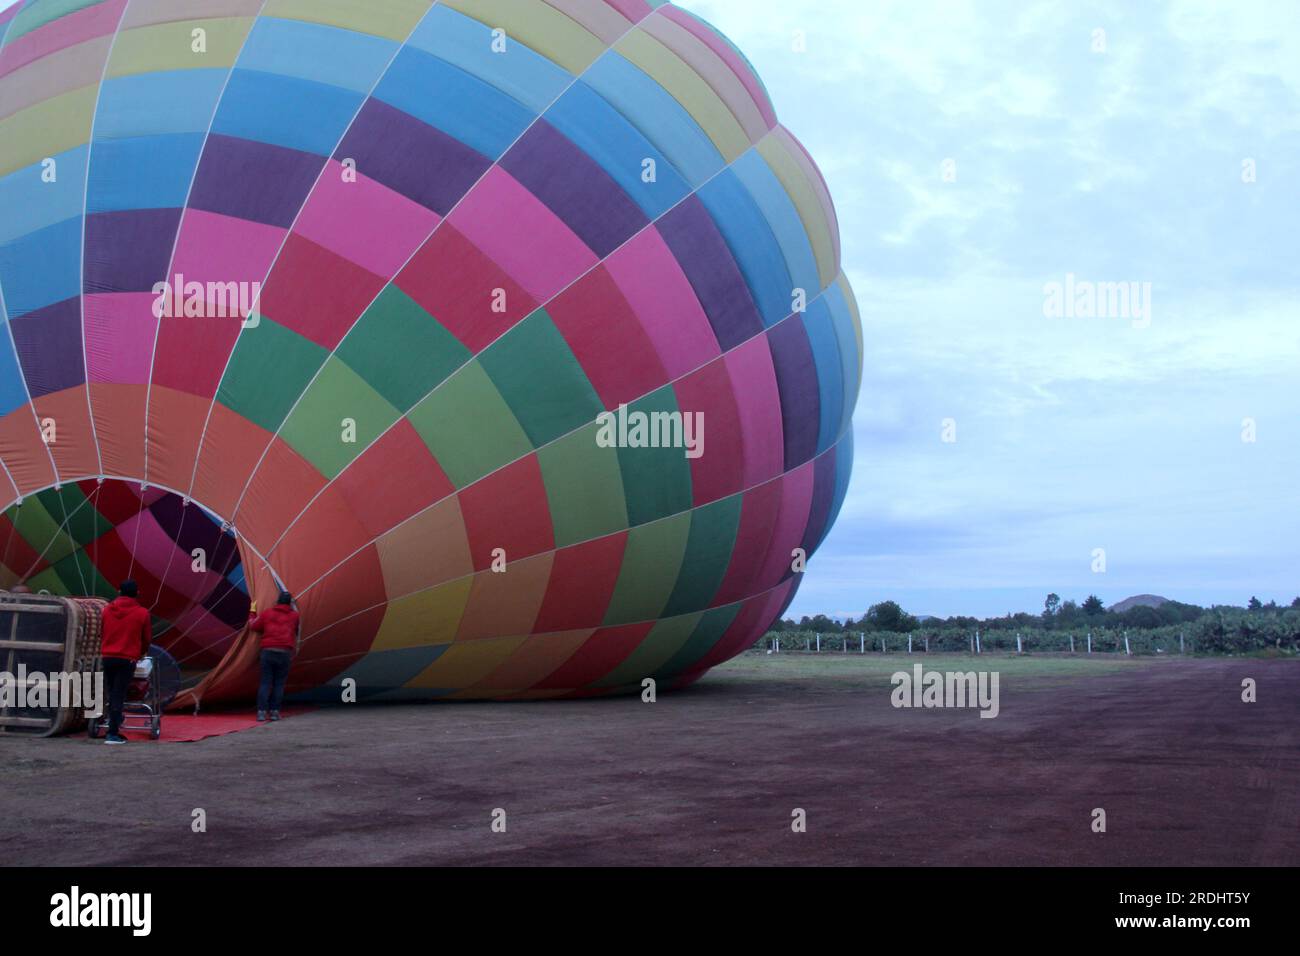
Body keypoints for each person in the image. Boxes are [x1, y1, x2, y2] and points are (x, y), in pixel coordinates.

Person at [98, 581, 151, 745]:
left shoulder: (106, 610)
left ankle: (115, 719)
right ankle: (112, 733)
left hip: (107, 657)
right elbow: (147, 638)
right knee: (118, 694)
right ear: (137, 594)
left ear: (119, 591)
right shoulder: (142, 613)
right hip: (127, 658)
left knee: (111, 691)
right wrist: (141, 653)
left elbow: (102, 631)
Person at [249, 592, 299, 722]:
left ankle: (261, 712)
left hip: (268, 651)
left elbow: (253, 626)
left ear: (277, 601)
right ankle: (274, 712)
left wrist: (252, 611)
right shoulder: (294, 616)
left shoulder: (267, 613)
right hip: (284, 653)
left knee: (265, 682)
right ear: (289, 603)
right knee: (279, 684)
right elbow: (296, 629)